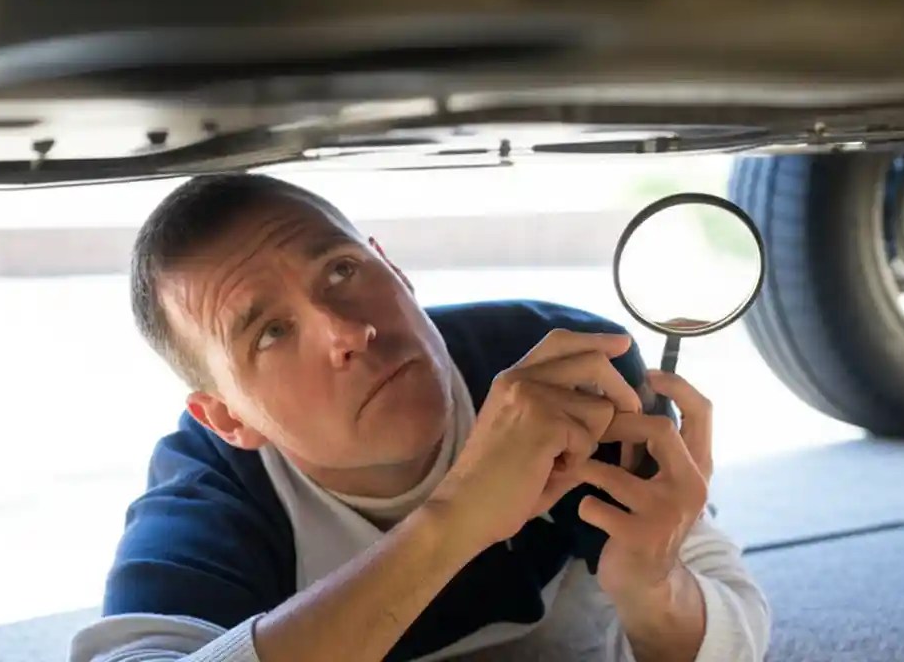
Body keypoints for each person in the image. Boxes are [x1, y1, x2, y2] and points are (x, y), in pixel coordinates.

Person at [69, 173, 770, 662]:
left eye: (341, 272)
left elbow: (733, 627)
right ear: (226, 418)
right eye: (271, 334)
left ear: (395, 270)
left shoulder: (565, 374)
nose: (346, 332)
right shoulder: (213, 495)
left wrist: (655, 586)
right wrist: (456, 521)